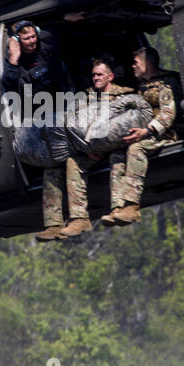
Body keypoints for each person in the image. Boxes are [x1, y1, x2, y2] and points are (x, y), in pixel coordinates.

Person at [4, 20, 74, 242]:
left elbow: (59, 29)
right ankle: (54, 224)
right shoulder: (17, 66)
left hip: (65, 112)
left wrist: (68, 18)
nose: (32, 42)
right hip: (42, 120)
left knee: (69, 162)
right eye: (26, 39)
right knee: (51, 169)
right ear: (17, 41)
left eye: (34, 37)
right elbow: (8, 85)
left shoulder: (47, 46)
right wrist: (13, 60)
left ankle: (76, 217)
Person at [56, 59, 134, 239]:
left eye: (99, 74)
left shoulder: (125, 95)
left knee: (118, 158)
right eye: (93, 75)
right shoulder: (86, 98)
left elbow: (130, 122)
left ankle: (118, 208)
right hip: (95, 149)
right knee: (73, 163)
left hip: (118, 145)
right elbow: (76, 125)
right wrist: (86, 149)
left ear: (110, 76)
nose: (95, 78)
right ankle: (79, 218)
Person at [103, 46, 178, 227]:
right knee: (117, 155)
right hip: (146, 134)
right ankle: (118, 207)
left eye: (136, 63)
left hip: (165, 133)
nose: (133, 66)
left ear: (148, 63)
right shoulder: (142, 86)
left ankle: (132, 206)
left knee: (136, 149)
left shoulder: (166, 83)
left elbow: (168, 114)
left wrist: (148, 131)